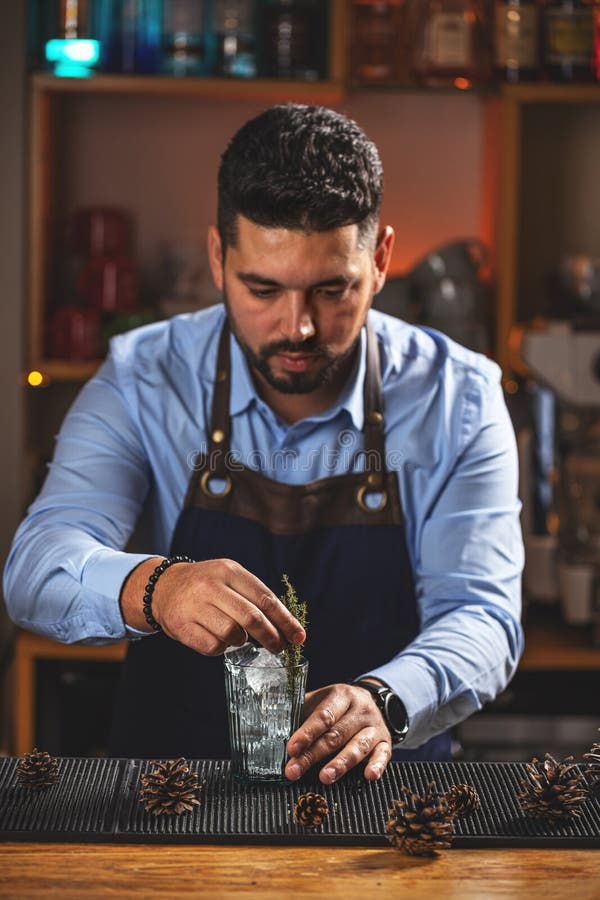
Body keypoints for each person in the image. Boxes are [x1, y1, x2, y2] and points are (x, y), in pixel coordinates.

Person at [3, 104, 524, 784]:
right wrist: (158, 586)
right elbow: (36, 568)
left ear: (382, 259)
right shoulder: (142, 377)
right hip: (172, 798)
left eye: (331, 290)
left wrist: (385, 700)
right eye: (263, 288)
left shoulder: (458, 396)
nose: (298, 327)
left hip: (381, 798)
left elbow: (483, 614)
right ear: (219, 257)